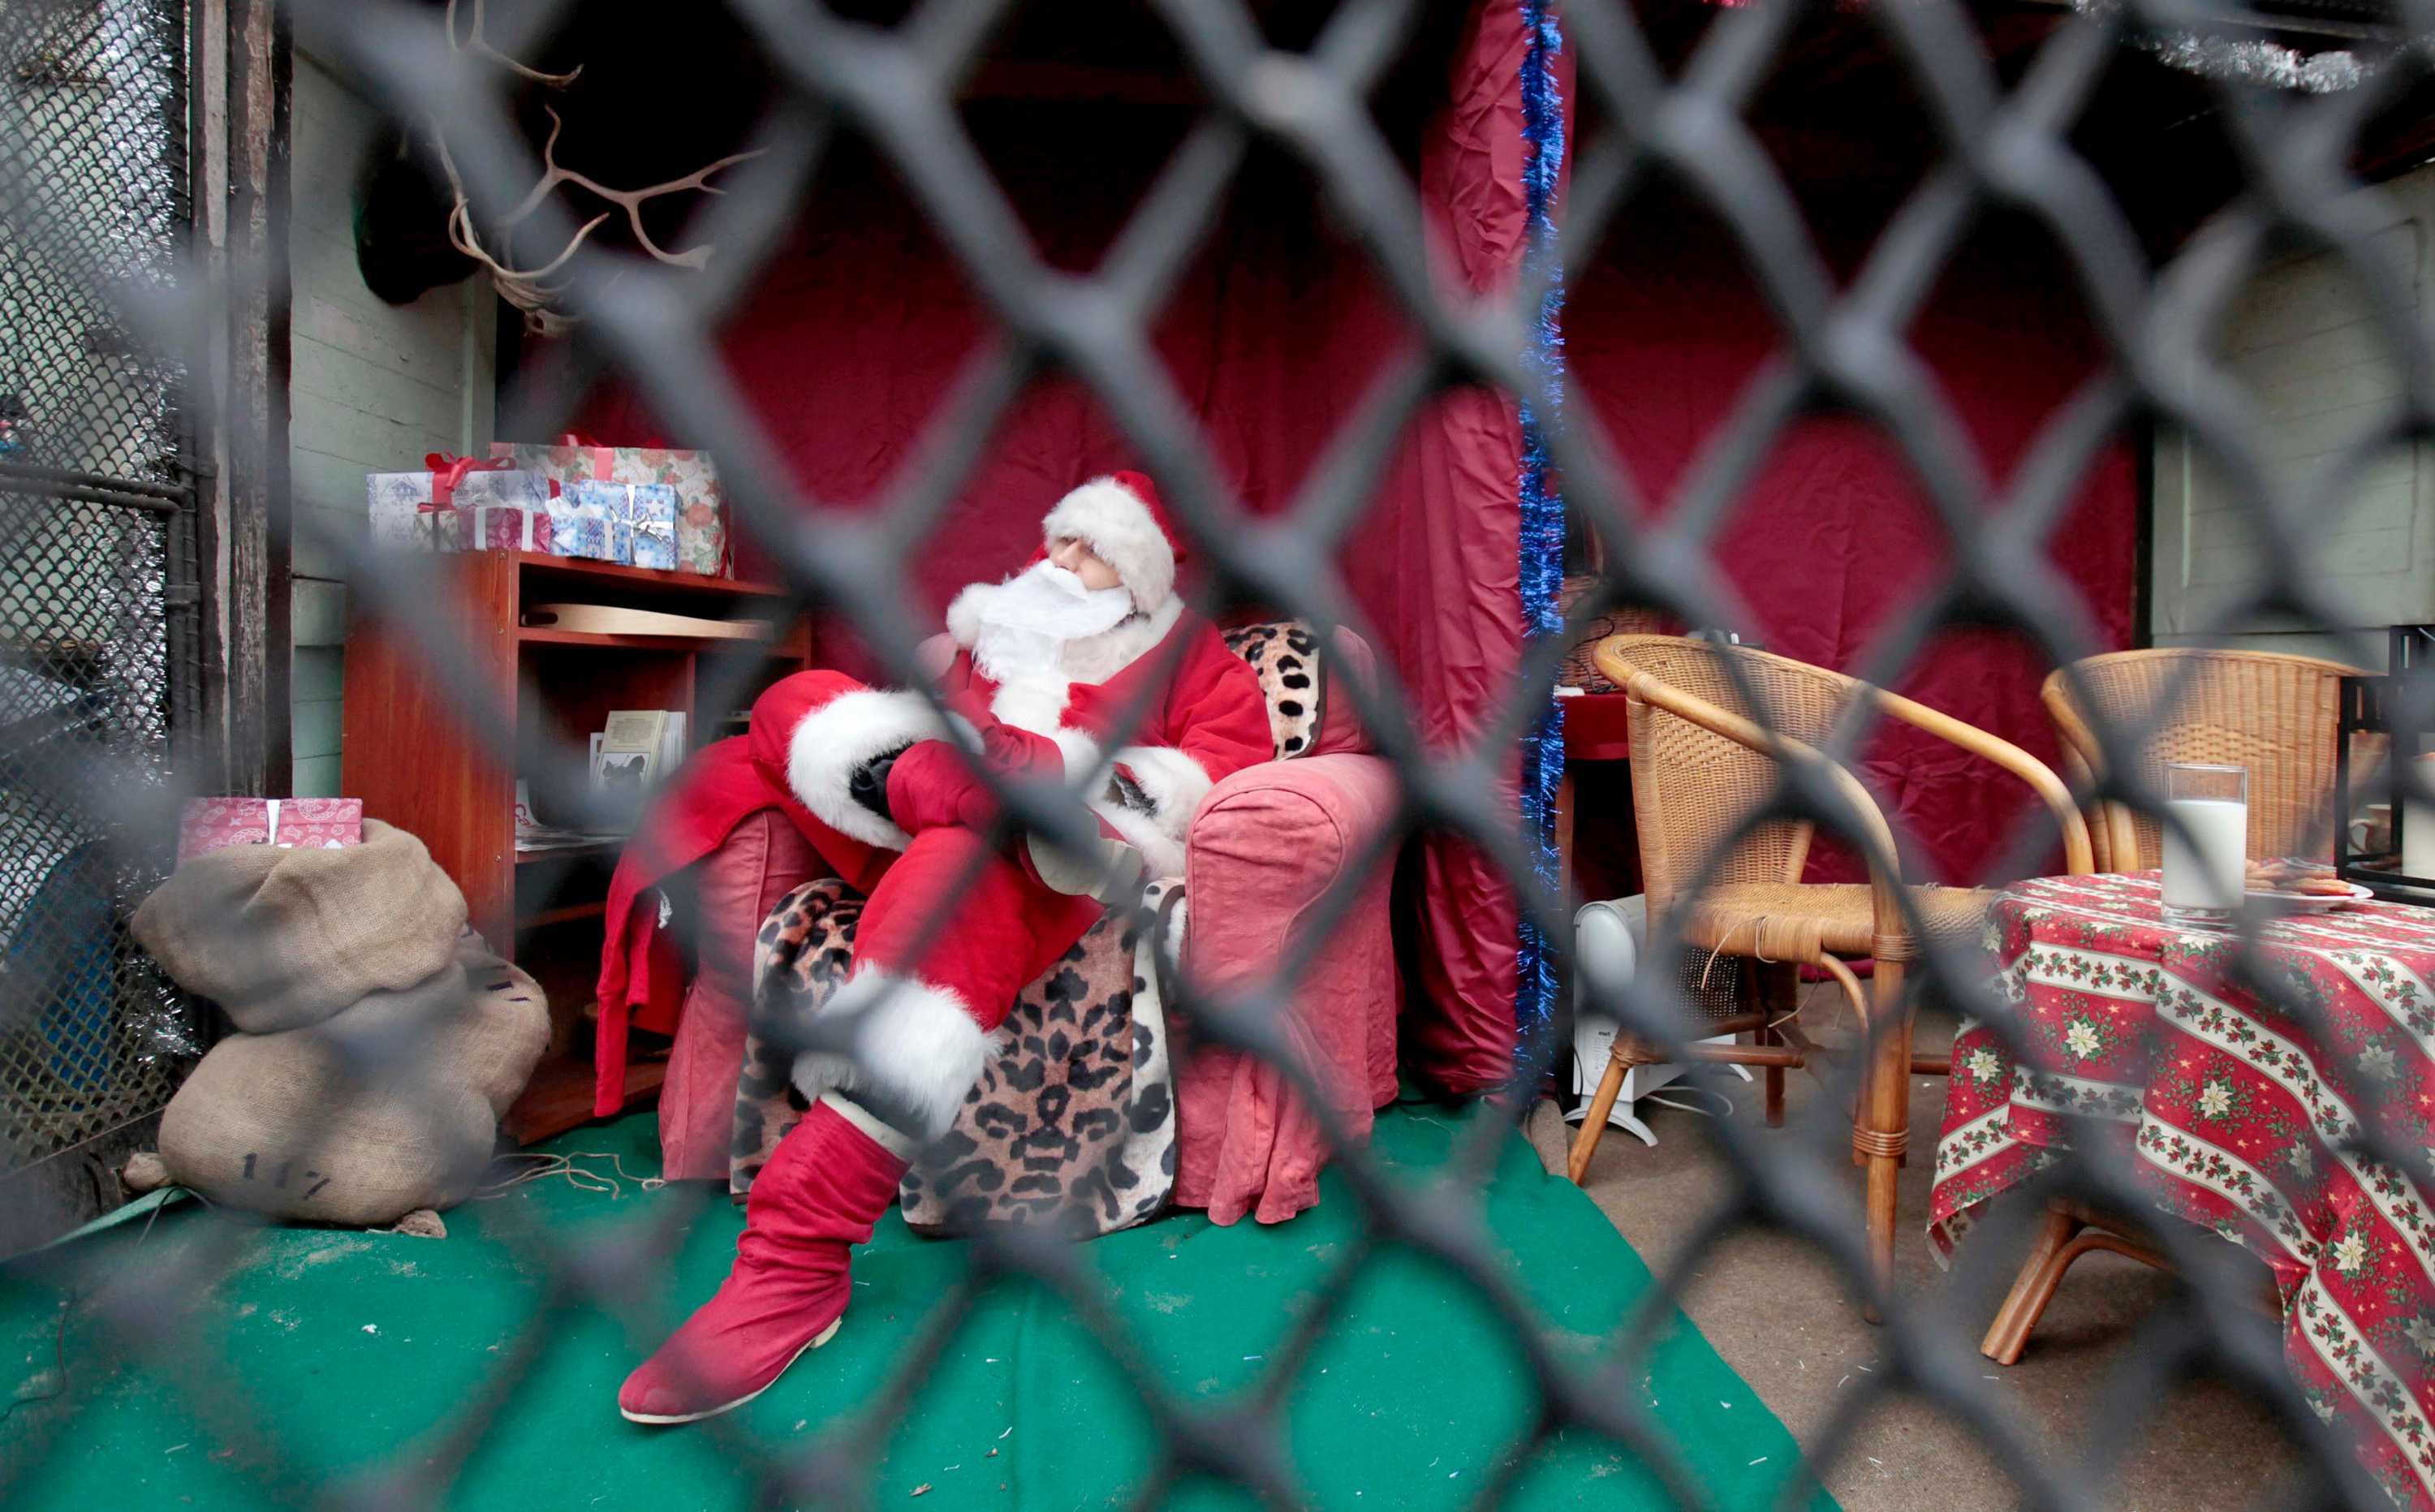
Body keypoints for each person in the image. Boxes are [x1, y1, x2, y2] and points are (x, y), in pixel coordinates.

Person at [611, 471, 1272, 1424]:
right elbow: (908, 729)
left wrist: (1066, 774)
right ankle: (994, 802)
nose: (1059, 560)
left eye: (1088, 549)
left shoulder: (1190, 655)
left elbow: (1214, 778)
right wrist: (962, 769)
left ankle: (796, 1255)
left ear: (1136, 573)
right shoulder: (988, 634)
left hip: (1062, 866)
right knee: (799, 695)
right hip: (916, 817)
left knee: (970, 856)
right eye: (1059, 539)